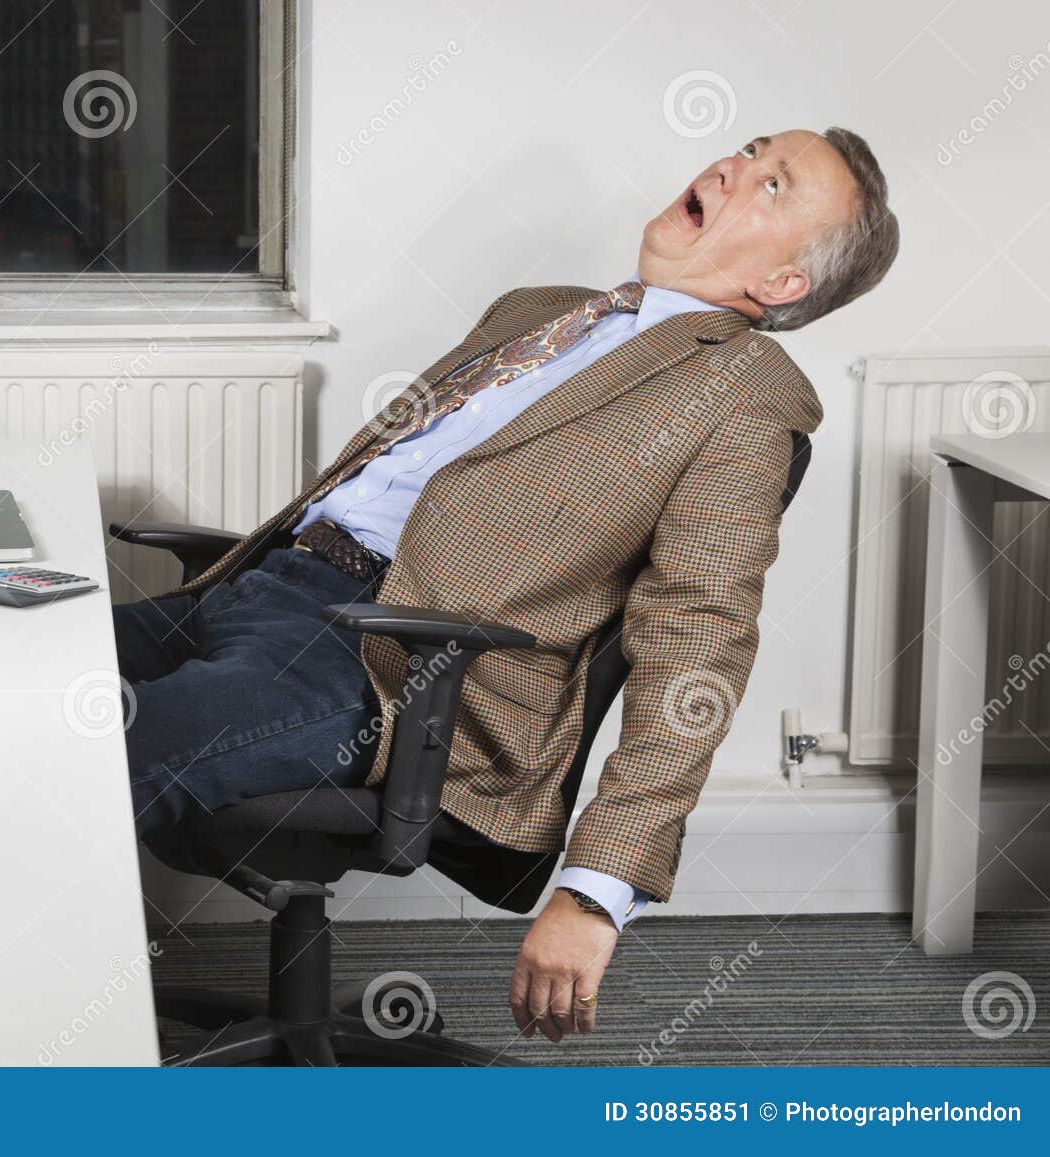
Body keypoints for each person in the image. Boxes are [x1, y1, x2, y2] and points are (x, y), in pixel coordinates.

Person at [114, 128, 899, 1042]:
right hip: (256, 584)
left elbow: (700, 636)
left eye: (772, 185)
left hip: (384, 662)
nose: (732, 166)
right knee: (11, 694)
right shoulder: (539, 309)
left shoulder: (746, 392)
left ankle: (2, 1055)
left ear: (780, 285)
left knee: (94, 758)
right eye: (749, 149)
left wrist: (596, 890)